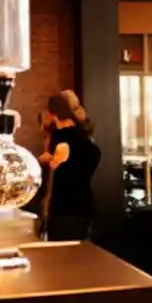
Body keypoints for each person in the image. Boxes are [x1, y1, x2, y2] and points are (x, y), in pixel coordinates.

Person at [39, 90, 101, 241]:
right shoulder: (86, 139)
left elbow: (50, 174)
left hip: (62, 210)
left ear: (53, 114)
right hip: (84, 207)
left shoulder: (59, 137)